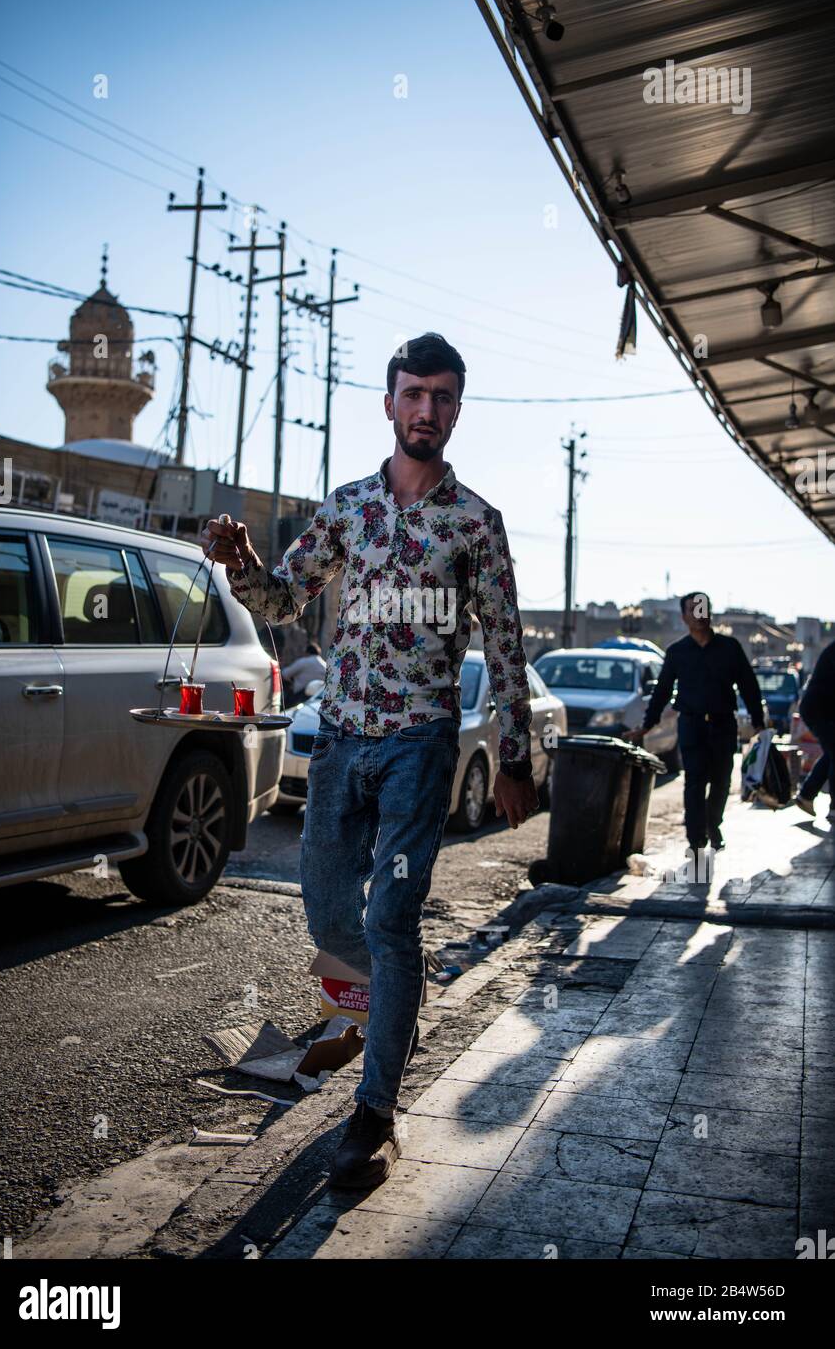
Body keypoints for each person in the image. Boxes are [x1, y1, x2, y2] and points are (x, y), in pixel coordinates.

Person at [201, 332, 537, 1190]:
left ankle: (374, 1113)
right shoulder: (348, 508)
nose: (428, 410)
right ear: (389, 403)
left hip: (420, 748)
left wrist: (514, 756)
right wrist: (238, 562)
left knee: (390, 922)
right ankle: (383, 1009)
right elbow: (283, 599)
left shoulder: (476, 525)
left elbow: (504, 647)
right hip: (342, 738)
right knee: (326, 912)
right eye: (414, 394)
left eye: (444, 397)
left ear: (457, 409)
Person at [626, 593, 765, 855]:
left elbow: (749, 686)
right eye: (693, 609)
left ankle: (714, 825)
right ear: (684, 617)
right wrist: (647, 725)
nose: (699, 613)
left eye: (704, 608)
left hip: (723, 725)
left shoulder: (730, 647)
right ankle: (696, 837)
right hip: (691, 726)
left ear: (710, 613)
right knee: (695, 780)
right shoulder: (678, 652)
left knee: (722, 780)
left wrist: (759, 722)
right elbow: (662, 691)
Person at [795, 638, 835, 821]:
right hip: (819, 709)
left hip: (820, 709)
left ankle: (806, 795)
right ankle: (833, 808)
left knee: (831, 752)